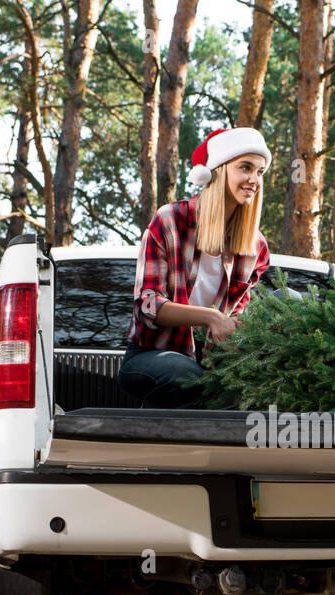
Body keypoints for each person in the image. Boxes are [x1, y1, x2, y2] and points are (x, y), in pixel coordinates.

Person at [119, 127, 273, 408]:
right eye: (245, 168)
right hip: (151, 353)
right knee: (183, 373)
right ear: (217, 170)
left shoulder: (256, 246)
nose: (254, 179)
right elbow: (148, 306)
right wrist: (211, 317)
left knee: (244, 383)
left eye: (260, 171)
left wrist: (239, 327)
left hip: (211, 361)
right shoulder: (170, 220)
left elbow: (239, 314)